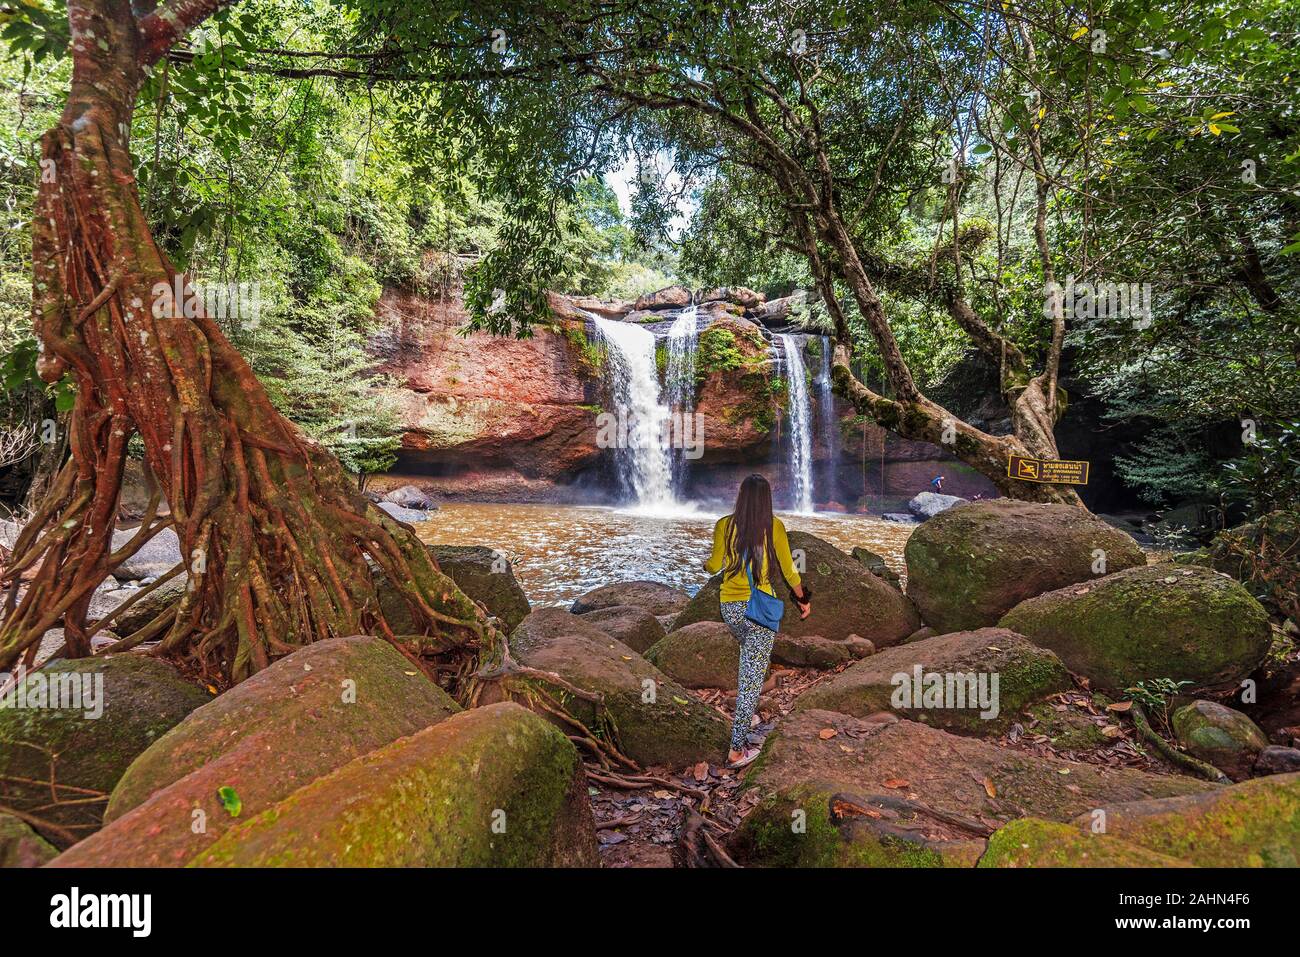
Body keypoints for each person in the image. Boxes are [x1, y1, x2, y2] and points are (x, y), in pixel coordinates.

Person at [703, 474, 811, 768]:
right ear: (766, 500)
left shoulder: (724, 525)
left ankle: (745, 711)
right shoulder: (773, 526)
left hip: (730, 607)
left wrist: (706, 563)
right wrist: (803, 599)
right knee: (751, 678)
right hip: (759, 610)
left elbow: (714, 564)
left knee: (748, 662)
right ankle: (736, 750)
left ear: (741, 497)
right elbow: (789, 572)